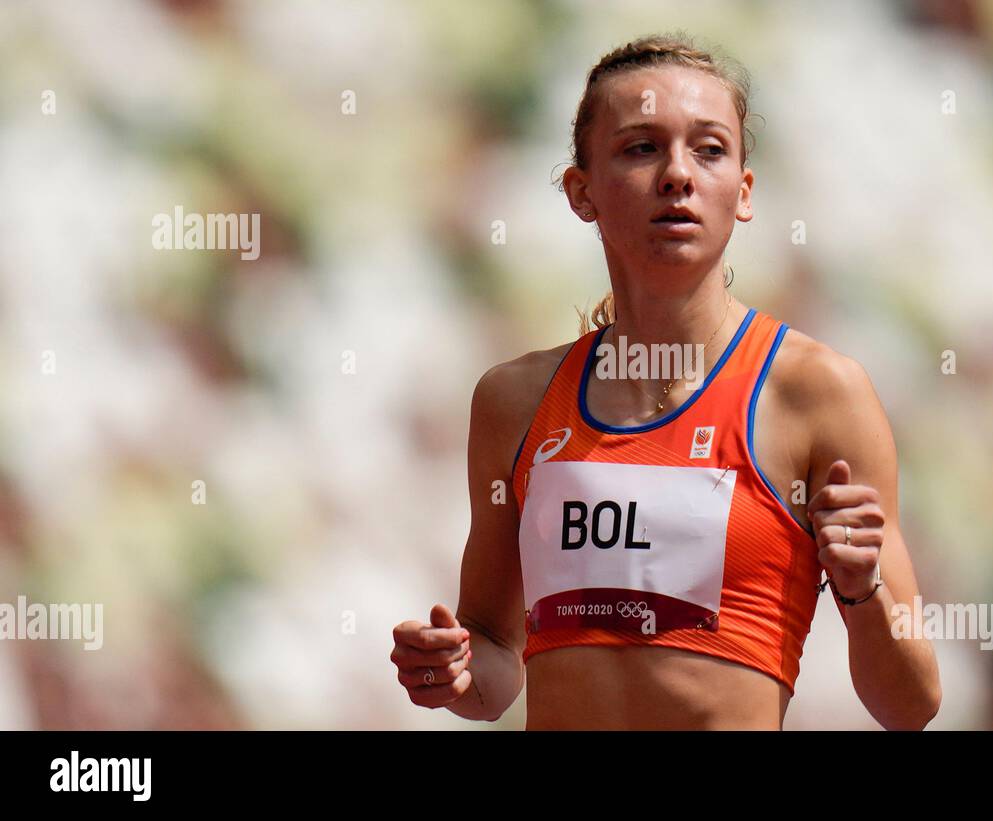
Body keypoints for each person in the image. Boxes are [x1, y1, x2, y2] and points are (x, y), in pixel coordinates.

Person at [391, 32, 941, 730]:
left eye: (709, 149)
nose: (678, 174)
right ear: (580, 191)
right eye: (641, 147)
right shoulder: (514, 400)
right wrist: (454, 669)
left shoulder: (815, 392)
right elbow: (496, 659)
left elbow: (912, 705)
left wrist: (863, 595)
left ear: (743, 193)